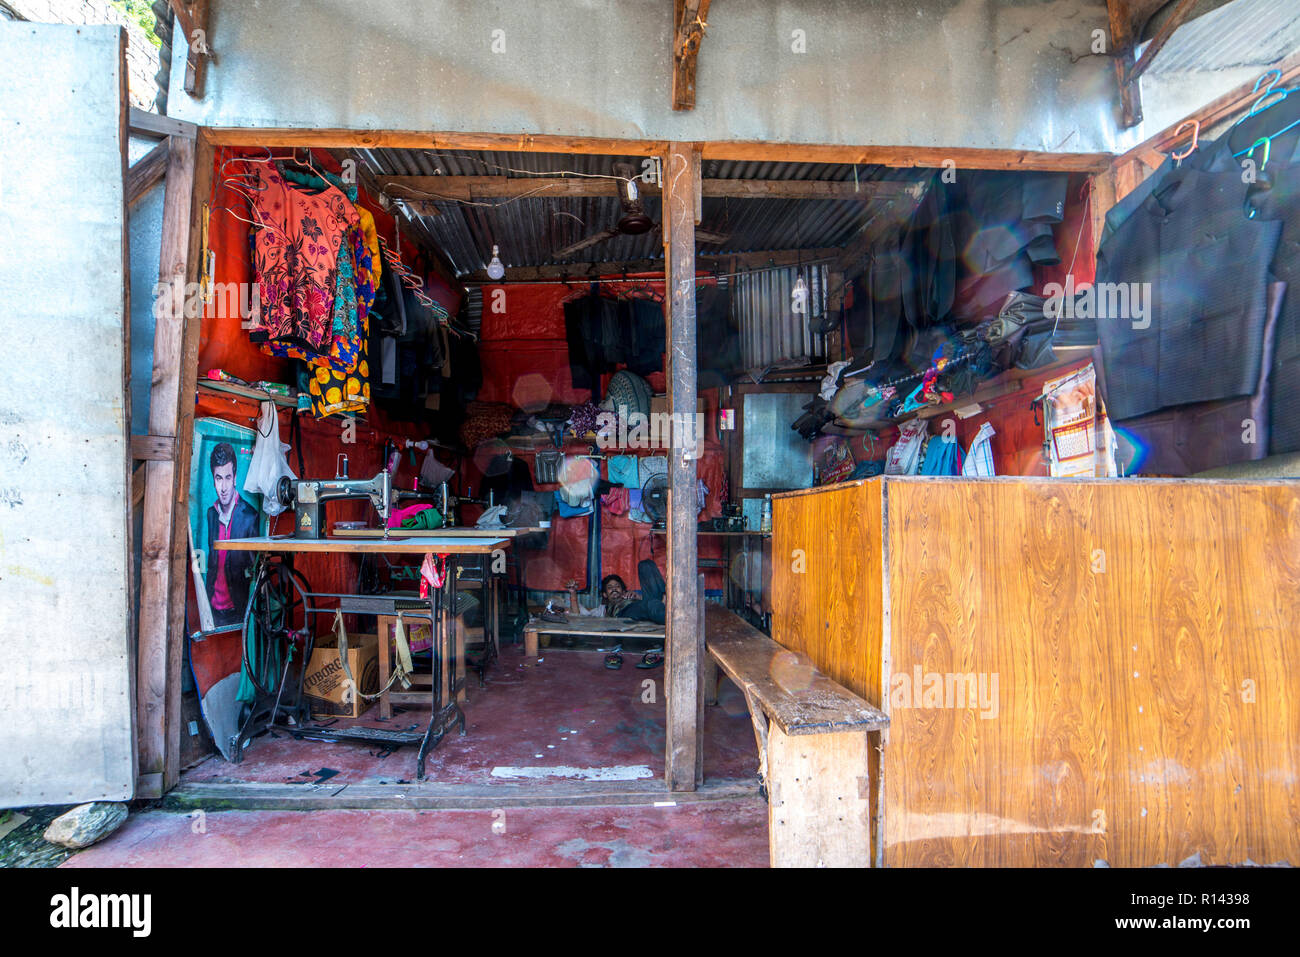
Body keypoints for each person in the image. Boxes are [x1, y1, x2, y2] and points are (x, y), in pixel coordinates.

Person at [566, 561, 666, 670]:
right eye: (610, 587)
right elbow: (578, 616)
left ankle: (667, 600)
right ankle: (672, 615)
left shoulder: (634, 598)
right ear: (605, 594)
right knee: (651, 604)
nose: (614, 588)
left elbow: (647, 605)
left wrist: (639, 598)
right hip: (633, 614)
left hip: (649, 607)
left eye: (617, 586)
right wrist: (573, 593)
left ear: (623, 591)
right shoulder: (602, 609)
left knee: (645, 565)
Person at [205, 442, 260, 627]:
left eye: (228, 478)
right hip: (212, 608)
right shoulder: (211, 514)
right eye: (218, 478)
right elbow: (212, 562)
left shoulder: (250, 516)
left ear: (235, 478)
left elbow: (255, 570)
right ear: (213, 480)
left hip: (239, 609)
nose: (223, 487)